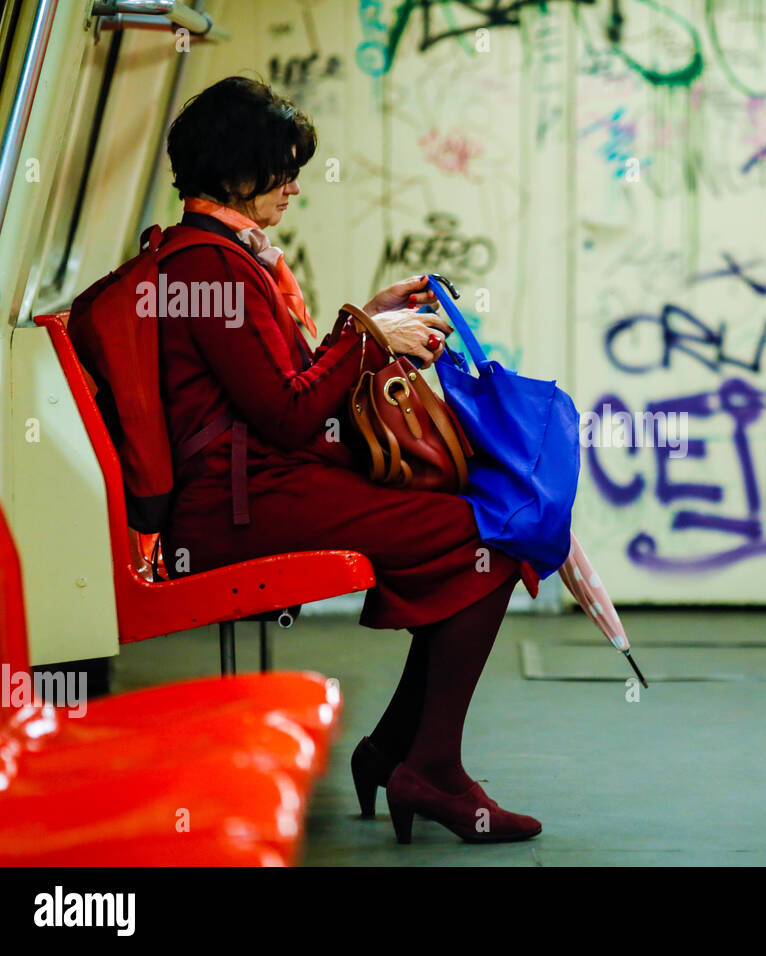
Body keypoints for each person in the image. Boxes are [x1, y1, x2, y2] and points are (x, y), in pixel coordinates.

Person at [158, 75, 540, 845]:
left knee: (483, 531)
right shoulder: (212, 269)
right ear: (234, 170)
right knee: (490, 539)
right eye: (282, 168)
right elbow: (292, 413)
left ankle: (404, 753)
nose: (296, 186)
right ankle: (422, 765)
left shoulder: (221, 257)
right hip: (239, 504)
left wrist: (372, 319)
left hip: (256, 484)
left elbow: (285, 387)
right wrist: (371, 337)